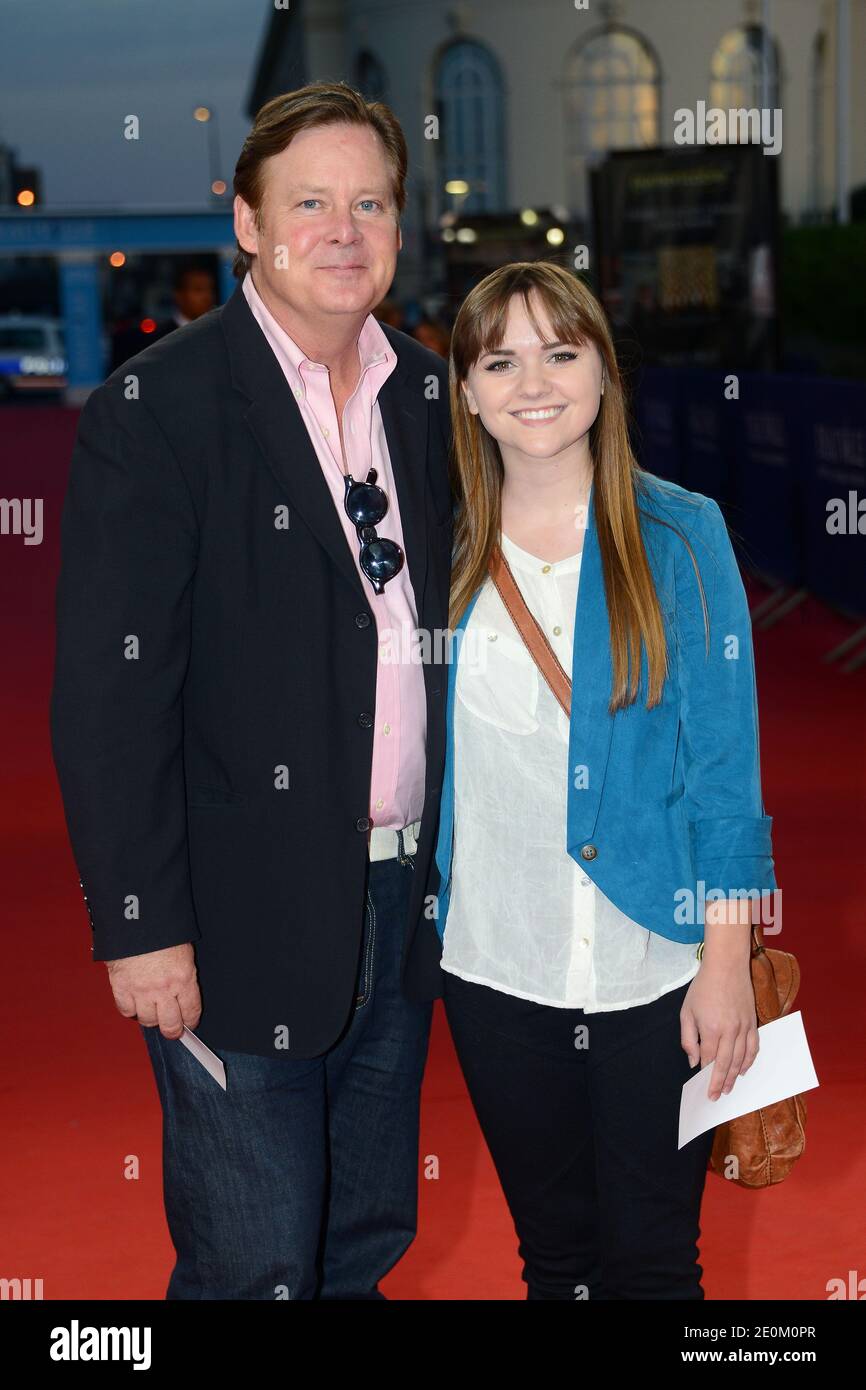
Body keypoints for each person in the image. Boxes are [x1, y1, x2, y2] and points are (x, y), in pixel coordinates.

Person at [50, 81, 453, 1300]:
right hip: (231, 919)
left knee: (362, 1243)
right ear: (246, 222)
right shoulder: (160, 407)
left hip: (407, 899)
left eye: (370, 202)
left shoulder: (433, 400)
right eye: (311, 202)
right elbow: (108, 693)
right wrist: (138, 924)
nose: (345, 230)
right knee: (255, 1258)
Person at [431, 260, 778, 1300]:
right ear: (465, 390)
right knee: (558, 1262)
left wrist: (726, 964)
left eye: (558, 351)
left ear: (601, 372)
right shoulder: (437, 543)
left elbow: (726, 768)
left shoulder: (678, 533)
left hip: (653, 966)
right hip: (494, 962)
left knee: (654, 1261)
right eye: (498, 359)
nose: (531, 381)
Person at [110, 262, 217, 371]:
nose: (207, 296)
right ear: (179, 295)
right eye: (198, 290)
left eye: (210, 289)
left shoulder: (219, 337)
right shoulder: (158, 341)